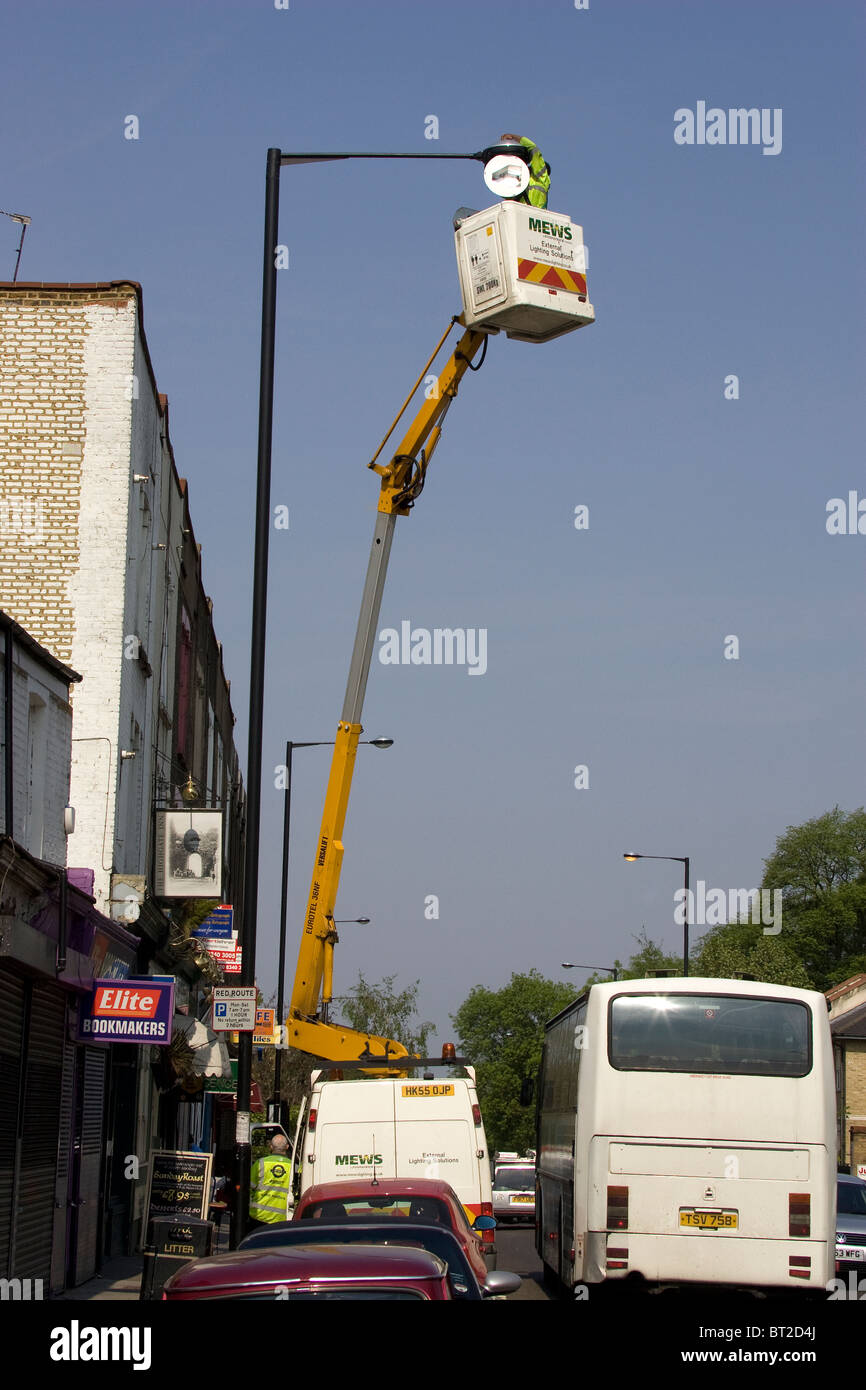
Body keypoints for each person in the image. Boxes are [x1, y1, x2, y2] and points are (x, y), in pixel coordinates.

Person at [249, 1134, 293, 1227]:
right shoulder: (293, 1167)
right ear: (287, 1147)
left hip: (259, 1215)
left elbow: (250, 1186)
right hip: (281, 1218)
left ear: (271, 1146)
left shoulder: (261, 1163)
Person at [500, 133, 550, 209]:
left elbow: (533, 148)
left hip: (535, 215)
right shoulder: (523, 181)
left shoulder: (542, 178)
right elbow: (505, 194)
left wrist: (513, 137)